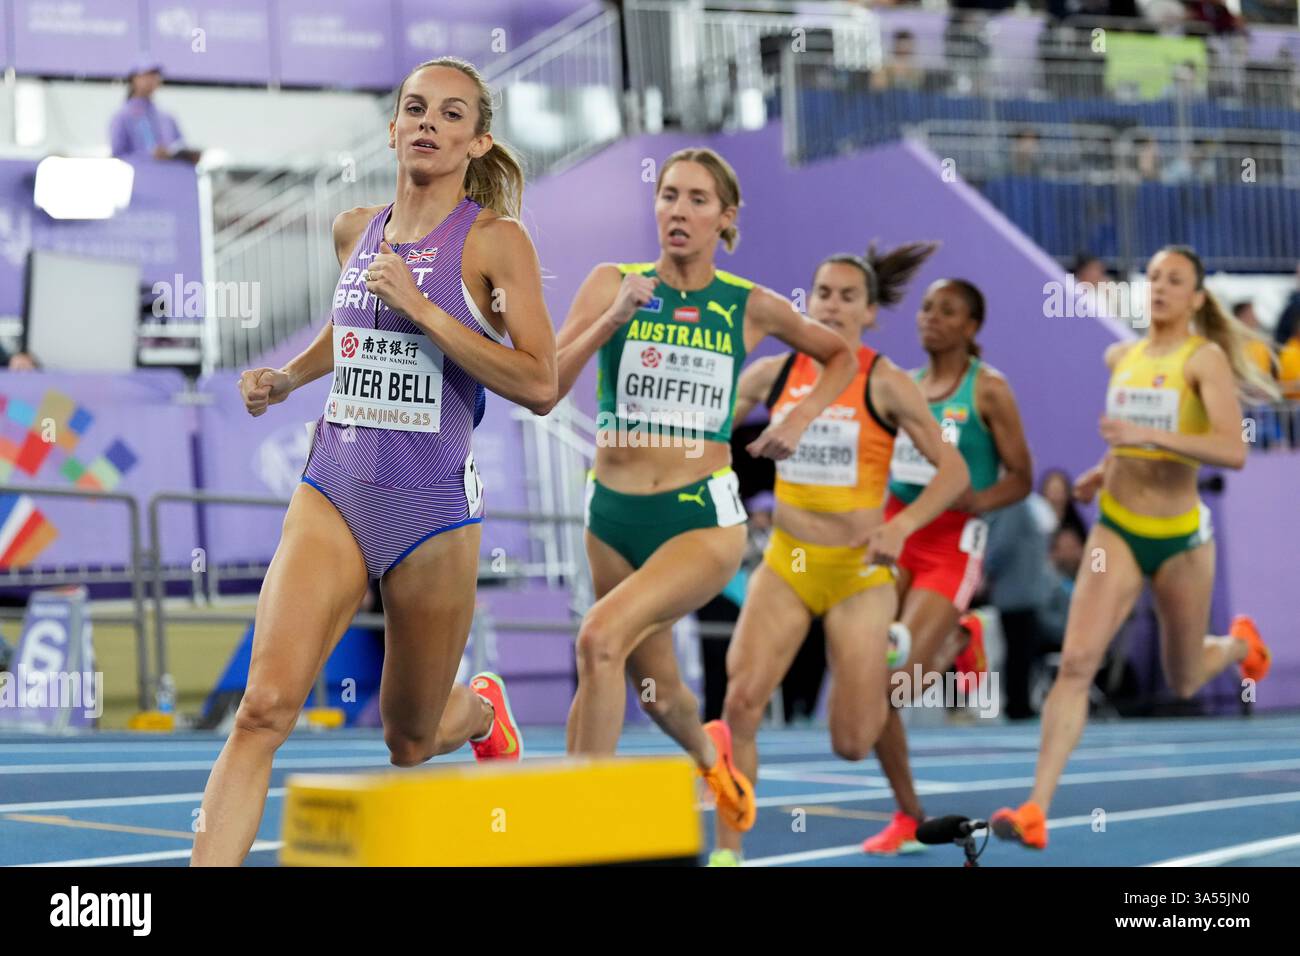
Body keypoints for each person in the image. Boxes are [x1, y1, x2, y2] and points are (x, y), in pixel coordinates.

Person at [192, 57, 557, 866]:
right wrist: (289, 376)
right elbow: (353, 327)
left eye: (451, 114)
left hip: (431, 507)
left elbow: (540, 382)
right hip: (336, 481)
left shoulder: (497, 242)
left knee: (410, 739)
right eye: (415, 109)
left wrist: (424, 308)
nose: (429, 122)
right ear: (392, 128)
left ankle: (482, 714)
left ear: (477, 140)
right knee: (262, 710)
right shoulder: (355, 229)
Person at [554, 146, 857, 833]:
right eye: (667, 195)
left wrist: (801, 416)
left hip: (699, 518)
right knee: (656, 691)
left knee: (598, 639)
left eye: (696, 199)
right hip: (611, 516)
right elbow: (547, 380)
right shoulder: (613, 283)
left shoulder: (749, 306)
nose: (677, 211)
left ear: (726, 218)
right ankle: (709, 750)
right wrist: (611, 320)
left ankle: (572, 831)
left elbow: (838, 353)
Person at [992, 245, 1276, 850]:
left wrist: (1145, 435)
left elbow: (1232, 450)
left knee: (1184, 679)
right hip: (1116, 528)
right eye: (1153, 278)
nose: (1160, 288)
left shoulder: (1203, 361)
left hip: (1179, 540)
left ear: (1198, 297)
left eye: (1176, 280)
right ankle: (1036, 808)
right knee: (1074, 664)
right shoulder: (1122, 354)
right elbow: (1125, 436)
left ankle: (1237, 646)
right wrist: (1101, 469)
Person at [709, 241, 970, 865]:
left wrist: (901, 527)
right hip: (788, 565)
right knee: (740, 702)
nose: (832, 305)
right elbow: (705, 425)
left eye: (848, 296)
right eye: (823, 292)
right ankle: (727, 852)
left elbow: (953, 472)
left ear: (870, 313)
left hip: (859, 575)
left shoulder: (887, 381)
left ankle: (926, 644)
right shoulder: (772, 375)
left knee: (853, 741)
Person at [859, 276, 1034, 854]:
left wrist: (977, 499)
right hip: (897, 529)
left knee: (898, 685)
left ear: (971, 327)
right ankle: (909, 815)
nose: (930, 317)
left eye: (947, 310)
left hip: (951, 544)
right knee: (871, 677)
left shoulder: (990, 391)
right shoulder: (900, 386)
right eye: (927, 307)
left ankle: (959, 640)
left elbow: (1021, 477)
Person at [110, 59, 200, 164]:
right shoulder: (122, 117)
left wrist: (186, 156)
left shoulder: (166, 118)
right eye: (147, 75)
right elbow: (118, 156)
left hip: (169, 177)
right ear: (133, 79)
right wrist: (149, 156)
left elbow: (180, 147)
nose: (151, 79)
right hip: (141, 177)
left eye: (155, 75)